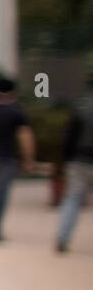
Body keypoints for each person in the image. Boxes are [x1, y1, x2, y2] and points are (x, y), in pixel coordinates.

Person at [0, 76, 35, 242]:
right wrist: (28, 159)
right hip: (6, 159)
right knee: (0, 195)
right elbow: (25, 136)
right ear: (13, 92)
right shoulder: (16, 111)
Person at [55, 75, 93, 253]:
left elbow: (68, 136)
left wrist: (66, 160)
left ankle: (63, 237)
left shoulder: (80, 106)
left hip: (78, 160)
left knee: (72, 200)